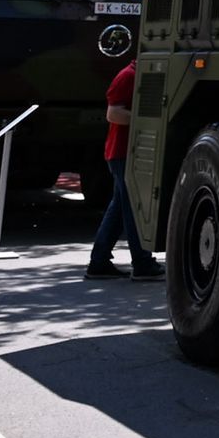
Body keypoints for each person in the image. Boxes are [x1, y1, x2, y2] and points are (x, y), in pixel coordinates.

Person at [87, 59, 162, 280]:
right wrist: (146, 121)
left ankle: (99, 262)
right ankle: (141, 262)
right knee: (132, 209)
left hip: (122, 153)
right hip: (123, 153)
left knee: (120, 207)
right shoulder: (128, 76)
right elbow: (113, 113)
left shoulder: (131, 74)